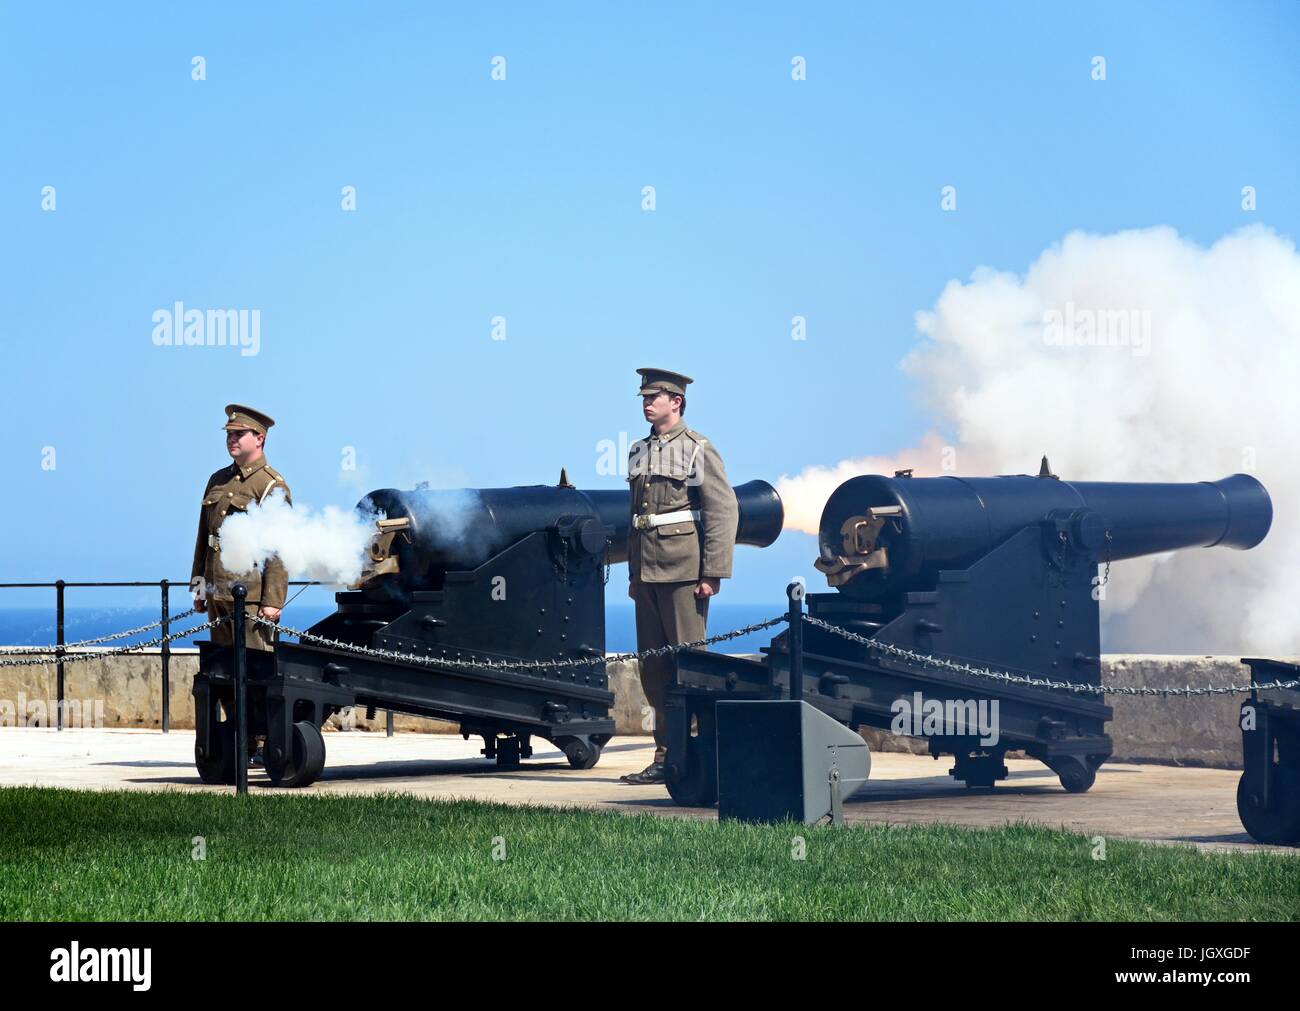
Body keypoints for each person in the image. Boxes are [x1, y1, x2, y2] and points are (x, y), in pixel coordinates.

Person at [621, 368, 738, 785]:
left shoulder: (697, 449)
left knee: (691, 665)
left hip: (684, 571)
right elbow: (637, 517)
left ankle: (701, 752)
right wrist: (634, 574)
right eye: (644, 398)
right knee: (653, 669)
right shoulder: (638, 450)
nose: (647, 403)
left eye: (655, 397)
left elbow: (724, 510)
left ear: (677, 401)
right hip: (648, 574)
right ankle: (666, 753)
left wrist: (713, 572)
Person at [191, 404, 292, 652]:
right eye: (228, 434)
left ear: (260, 438)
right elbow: (205, 538)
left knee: (255, 669)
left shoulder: (269, 485)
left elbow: (279, 548)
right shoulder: (217, 480)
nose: (231, 439)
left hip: (251, 596)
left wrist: (273, 600)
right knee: (221, 670)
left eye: (239, 434)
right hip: (217, 591)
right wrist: (199, 586)